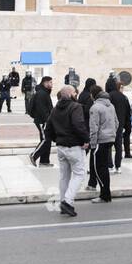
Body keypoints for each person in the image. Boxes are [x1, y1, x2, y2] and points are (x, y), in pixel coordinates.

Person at [50, 85, 89, 216]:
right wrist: (86, 140)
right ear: (70, 94)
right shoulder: (75, 107)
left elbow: (48, 129)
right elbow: (78, 125)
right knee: (79, 174)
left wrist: (57, 139)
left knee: (64, 176)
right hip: (73, 146)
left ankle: (64, 202)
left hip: (61, 147)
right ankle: (67, 201)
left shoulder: (55, 109)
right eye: (74, 92)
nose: (76, 93)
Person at [88, 86, 118, 203]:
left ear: (93, 95)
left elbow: (93, 127)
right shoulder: (111, 105)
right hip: (110, 139)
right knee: (104, 168)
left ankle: (104, 195)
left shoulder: (95, 107)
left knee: (98, 169)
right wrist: (112, 134)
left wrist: (93, 143)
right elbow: (116, 122)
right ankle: (106, 194)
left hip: (100, 141)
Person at [29, 75, 54, 166]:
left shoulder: (44, 92)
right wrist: (47, 120)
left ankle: (44, 161)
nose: (52, 84)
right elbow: (41, 109)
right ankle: (34, 155)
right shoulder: (41, 93)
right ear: (45, 83)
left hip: (44, 120)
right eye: (50, 82)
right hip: (42, 121)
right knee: (45, 140)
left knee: (47, 140)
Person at [106, 77, 130, 172]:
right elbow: (128, 112)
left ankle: (110, 165)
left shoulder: (108, 96)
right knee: (118, 146)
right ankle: (118, 166)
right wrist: (127, 126)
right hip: (120, 125)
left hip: (109, 125)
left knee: (108, 146)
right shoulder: (123, 97)